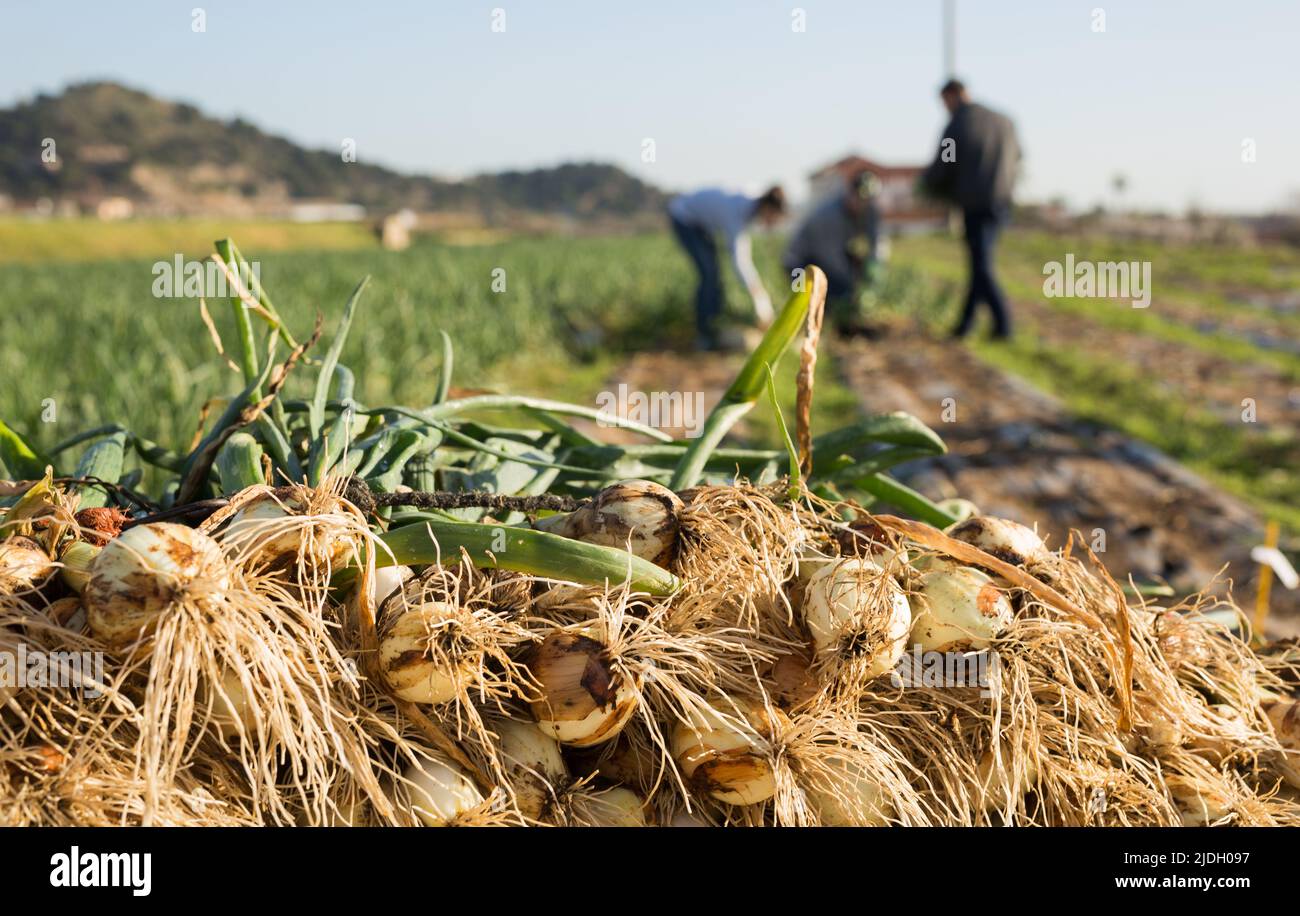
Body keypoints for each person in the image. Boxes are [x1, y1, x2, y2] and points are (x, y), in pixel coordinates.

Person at [921, 78, 1021, 339]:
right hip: (1001, 201)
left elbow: (944, 163)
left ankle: (1003, 325)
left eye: (944, 102)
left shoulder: (959, 123)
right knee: (979, 264)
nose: (945, 107)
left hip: (975, 203)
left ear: (953, 95)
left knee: (982, 265)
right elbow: (1018, 157)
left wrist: (929, 186)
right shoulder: (1004, 121)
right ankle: (966, 325)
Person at [667, 185, 786, 350]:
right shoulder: (736, 213)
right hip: (684, 217)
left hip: (702, 224)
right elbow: (740, 261)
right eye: (772, 217)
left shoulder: (748, 208)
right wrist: (759, 297)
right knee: (709, 274)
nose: (771, 222)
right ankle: (705, 334)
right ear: (767, 207)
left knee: (715, 274)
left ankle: (714, 325)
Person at [783, 171, 884, 330]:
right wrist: (851, 286)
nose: (863, 204)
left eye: (868, 200)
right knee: (804, 300)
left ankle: (835, 322)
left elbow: (877, 240)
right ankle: (807, 331)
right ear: (850, 194)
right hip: (798, 262)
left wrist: (874, 264)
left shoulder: (869, 212)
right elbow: (831, 258)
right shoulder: (829, 216)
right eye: (859, 199)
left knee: (847, 277)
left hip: (830, 254)